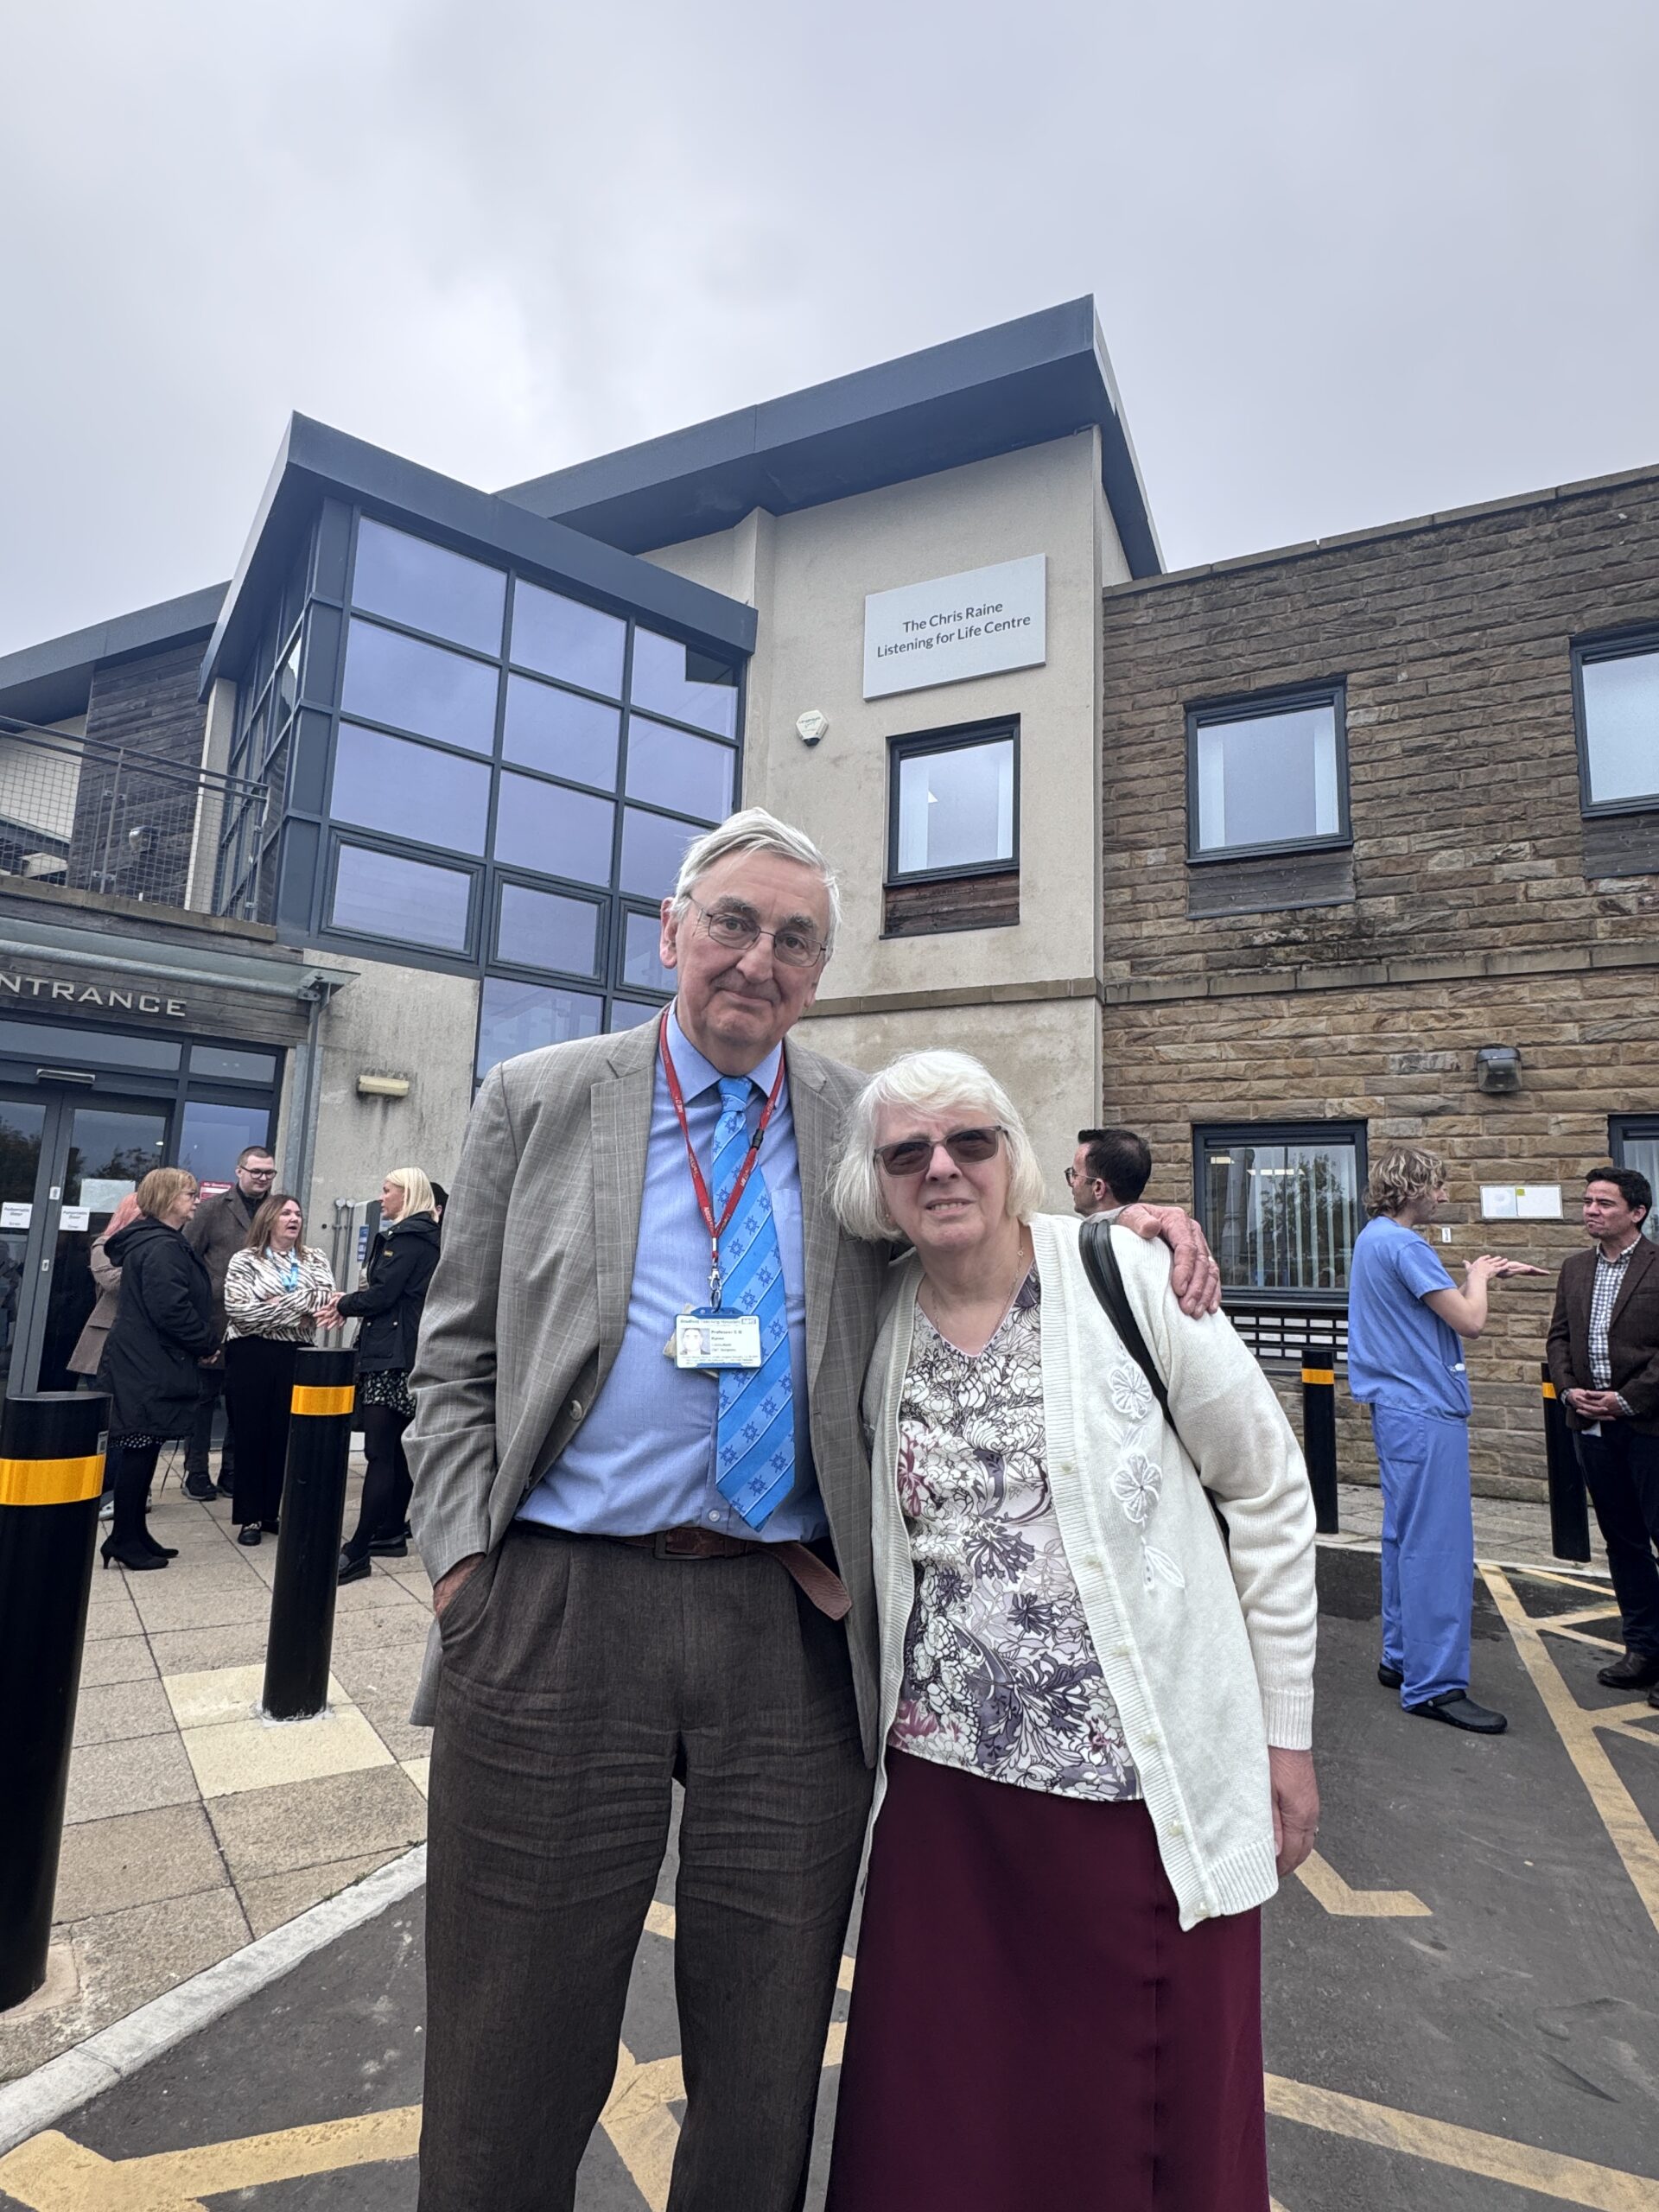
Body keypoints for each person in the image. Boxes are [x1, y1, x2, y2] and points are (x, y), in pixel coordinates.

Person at [403, 806, 1218, 2212]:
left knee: (769, 2046)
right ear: (672, 934)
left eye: (794, 939)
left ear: (820, 970)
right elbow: (453, 1356)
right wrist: (464, 1569)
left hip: (788, 1625)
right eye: (733, 923)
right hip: (551, 1608)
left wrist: (1114, 1242)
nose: (757, 959)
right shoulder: (538, 1100)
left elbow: (978, 1242)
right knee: (509, 2052)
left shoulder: (866, 1125)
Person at [822, 1051, 1317, 2212]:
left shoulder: (1122, 1277)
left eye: (972, 1143)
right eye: (908, 1153)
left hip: (1130, 1792)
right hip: (946, 1799)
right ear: (878, 1184)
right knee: (956, 2110)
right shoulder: (876, 1318)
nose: (942, 1168)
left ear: (1015, 1155)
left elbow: (1269, 1495)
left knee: (1130, 2123)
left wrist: (1284, 1736)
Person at [1347, 1147, 1543, 1733]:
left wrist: (1467, 1281)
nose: (1442, 1196)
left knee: (1404, 1538)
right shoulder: (1407, 1246)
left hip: (1396, 1411)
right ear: (1412, 1189)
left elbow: (1429, 1312)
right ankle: (1434, 1686)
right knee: (1438, 1549)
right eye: (1436, 1186)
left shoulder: (1372, 1240)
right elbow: (1470, 1321)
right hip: (1426, 1411)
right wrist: (1480, 1275)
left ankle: (1402, 1658)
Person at [1546, 1166, 1659, 1700]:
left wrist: (1627, 1399)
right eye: (1588, 1201)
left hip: (1648, 1427)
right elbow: (1559, 1340)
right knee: (1624, 1542)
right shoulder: (1574, 1269)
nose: (1591, 1210)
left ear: (1636, 1213)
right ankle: (1643, 1651)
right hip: (1589, 1425)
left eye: (1604, 1203)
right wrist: (1570, 1391)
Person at [96, 1168, 217, 1573]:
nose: (196, 1200)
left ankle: (134, 1532)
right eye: (189, 1193)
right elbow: (171, 1308)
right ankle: (124, 1538)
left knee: (144, 1449)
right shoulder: (161, 1246)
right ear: (167, 1198)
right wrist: (205, 1342)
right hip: (147, 1363)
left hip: (146, 1359)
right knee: (138, 1447)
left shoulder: (159, 1242)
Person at [324, 1169, 442, 1582]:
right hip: (412, 1354)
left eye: (387, 1191)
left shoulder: (406, 1240)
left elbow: (383, 1295)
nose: (381, 1198)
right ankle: (390, 1530)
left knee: (379, 1453)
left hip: (391, 1358)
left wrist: (343, 1303)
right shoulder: (428, 1237)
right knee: (398, 1452)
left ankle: (357, 1549)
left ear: (407, 1195)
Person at [223, 1193, 337, 1547]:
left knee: (285, 1434)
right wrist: (299, 1307)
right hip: (250, 1352)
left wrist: (275, 1303)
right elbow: (239, 1310)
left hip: (296, 1352)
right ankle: (250, 1517)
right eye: (286, 1212)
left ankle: (272, 1511)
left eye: (299, 1214)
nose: (294, 1219)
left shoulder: (314, 1257)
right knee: (251, 1432)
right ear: (269, 1219)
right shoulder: (245, 1260)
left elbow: (326, 1299)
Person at [182, 1146, 277, 1500]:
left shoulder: (277, 1212)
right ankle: (196, 1472)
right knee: (204, 1400)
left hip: (259, 1323)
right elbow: (187, 1260)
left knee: (243, 1401)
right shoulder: (211, 1210)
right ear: (239, 1171)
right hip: (214, 1319)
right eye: (256, 1171)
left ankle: (233, 1471)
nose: (262, 1178)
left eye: (268, 1173)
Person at [69, 1192, 143, 1522]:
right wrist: (150, 1259)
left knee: (132, 1420)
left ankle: (129, 1489)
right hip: (101, 1343)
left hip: (137, 1345)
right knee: (109, 1422)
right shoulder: (104, 1244)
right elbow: (112, 1281)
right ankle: (105, 1490)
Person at [1068, 1123, 1153, 1219]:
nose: (1071, 1182)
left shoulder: (1067, 1232)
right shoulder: (1152, 1232)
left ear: (1098, 1188)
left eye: (1075, 1174)